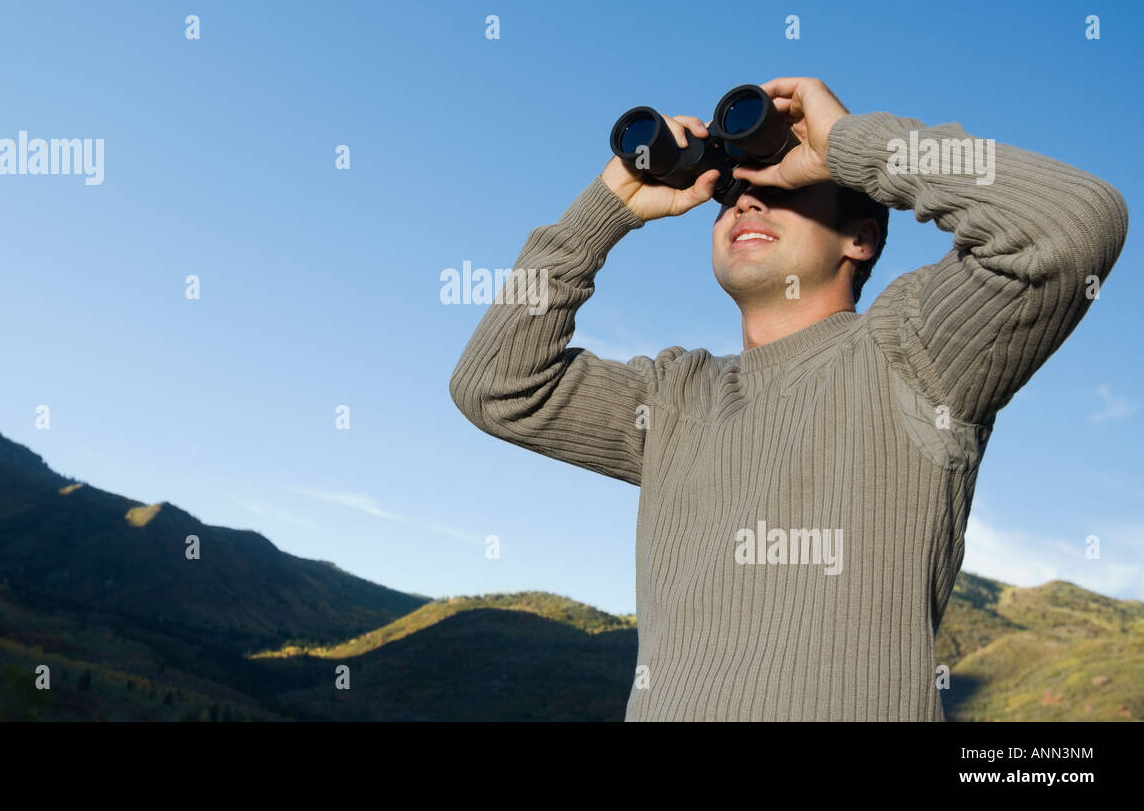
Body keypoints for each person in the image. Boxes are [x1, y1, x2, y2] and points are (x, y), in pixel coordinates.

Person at [448, 77, 1129, 721]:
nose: (744, 201)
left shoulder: (914, 353)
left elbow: (1070, 225)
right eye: (730, 194)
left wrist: (852, 145)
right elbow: (496, 385)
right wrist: (607, 209)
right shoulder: (675, 395)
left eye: (780, 186)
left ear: (859, 237)